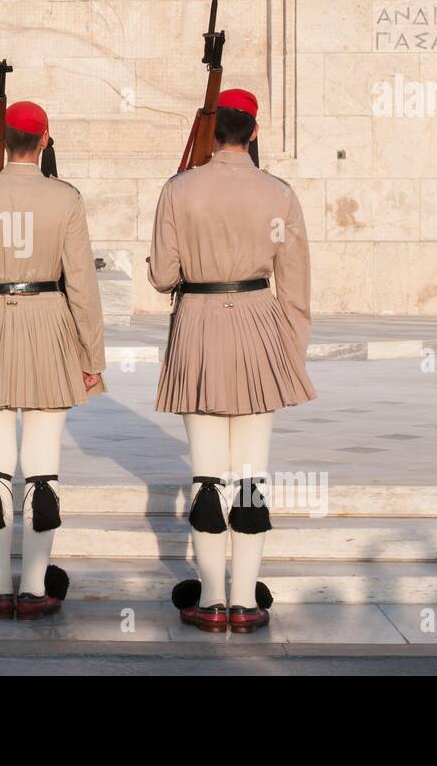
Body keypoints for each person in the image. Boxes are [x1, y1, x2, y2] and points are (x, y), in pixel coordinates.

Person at [148, 88, 315, 634]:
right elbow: (295, 284)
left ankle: (211, 600)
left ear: (211, 132)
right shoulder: (279, 193)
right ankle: (246, 601)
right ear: (255, 134)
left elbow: (163, 277)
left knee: (206, 475)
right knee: (250, 477)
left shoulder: (180, 189)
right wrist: (289, 354)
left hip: (198, 322)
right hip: (258, 323)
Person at [0, 100, 106, 620]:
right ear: (45, 139)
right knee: (43, 467)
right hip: (50, 324)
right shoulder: (65, 198)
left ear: (3, 139)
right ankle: (34, 585)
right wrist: (91, 354)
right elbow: (81, 283)